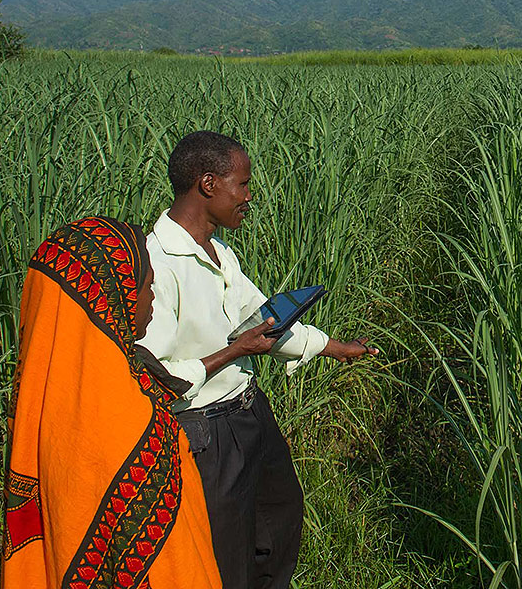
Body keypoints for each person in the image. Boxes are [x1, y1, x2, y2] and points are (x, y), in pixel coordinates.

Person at [138, 131, 377, 588]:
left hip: (249, 411)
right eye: (242, 185)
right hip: (204, 432)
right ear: (208, 184)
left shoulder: (219, 251)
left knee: (279, 520)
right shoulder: (158, 265)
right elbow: (153, 372)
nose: (249, 196)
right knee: (227, 554)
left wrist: (334, 348)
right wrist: (233, 352)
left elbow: (261, 322)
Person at [3, 217, 220, 588]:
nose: (152, 298)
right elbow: (176, 565)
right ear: (113, 297)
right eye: (147, 285)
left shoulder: (35, 408)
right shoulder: (136, 424)